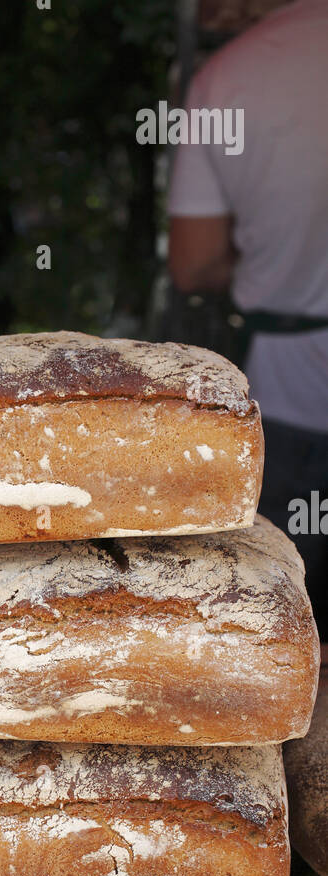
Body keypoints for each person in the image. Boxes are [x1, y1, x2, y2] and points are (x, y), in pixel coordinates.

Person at [167, 0, 328, 635]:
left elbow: (195, 264)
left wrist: (267, 259)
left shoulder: (226, 81)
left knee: (277, 624)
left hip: (289, 404)